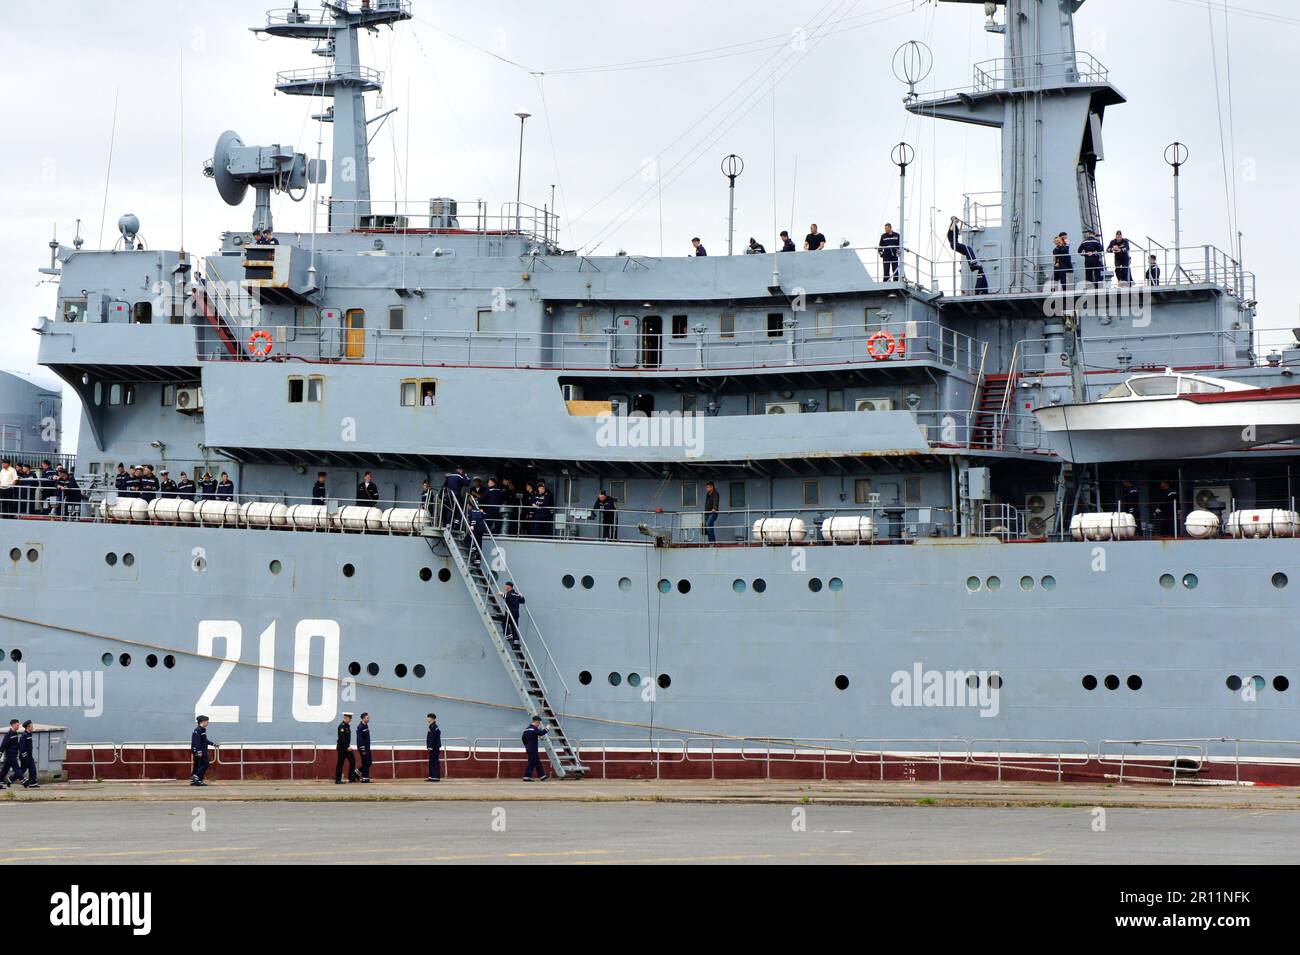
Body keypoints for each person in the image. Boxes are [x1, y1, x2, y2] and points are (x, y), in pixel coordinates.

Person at [190, 715, 217, 786]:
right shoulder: (199, 730)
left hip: (199, 750)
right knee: (205, 764)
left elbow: (205, 741)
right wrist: (199, 751)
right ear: (202, 722)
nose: (208, 723)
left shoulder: (201, 730)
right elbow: (197, 742)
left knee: (198, 765)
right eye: (207, 721)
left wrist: (213, 744)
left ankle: (196, 780)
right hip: (201, 751)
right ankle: (197, 777)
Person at [521, 716, 548, 782]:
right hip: (533, 748)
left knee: (537, 762)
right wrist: (547, 729)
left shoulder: (526, 729)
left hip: (529, 748)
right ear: (536, 722)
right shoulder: (534, 728)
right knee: (531, 762)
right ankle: (526, 776)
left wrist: (527, 746)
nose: (539, 724)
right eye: (539, 723)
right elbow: (541, 733)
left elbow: (523, 738)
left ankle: (542, 776)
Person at [335, 712, 358, 784]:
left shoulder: (347, 726)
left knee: (352, 761)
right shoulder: (341, 726)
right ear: (346, 718)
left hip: (347, 748)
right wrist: (347, 746)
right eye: (350, 718)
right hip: (342, 748)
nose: (351, 720)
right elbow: (342, 738)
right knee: (340, 763)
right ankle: (338, 780)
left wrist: (348, 746)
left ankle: (351, 778)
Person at [501, 581, 525, 646]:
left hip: (510, 613)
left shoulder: (510, 593)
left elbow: (509, 597)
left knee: (504, 623)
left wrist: (502, 594)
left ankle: (508, 635)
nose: (504, 587)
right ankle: (516, 642)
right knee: (514, 627)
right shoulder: (516, 594)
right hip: (516, 613)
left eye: (505, 586)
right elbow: (522, 601)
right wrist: (522, 596)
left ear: (509, 586)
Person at [466, 498, 488, 565]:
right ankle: (477, 562)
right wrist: (482, 512)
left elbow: (474, 517)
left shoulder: (471, 511)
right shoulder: (478, 511)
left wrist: (472, 525)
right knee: (479, 545)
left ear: (468, 505)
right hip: (481, 530)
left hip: (475, 529)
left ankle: (473, 549)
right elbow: (485, 515)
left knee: (466, 540)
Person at [17, 720, 37, 788]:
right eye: (32, 726)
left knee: (24, 769)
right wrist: (25, 757)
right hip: (26, 756)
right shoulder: (24, 735)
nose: (33, 727)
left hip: (29, 755)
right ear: (28, 727)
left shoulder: (29, 734)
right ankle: (32, 782)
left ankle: (11, 779)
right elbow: (21, 747)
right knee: (31, 769)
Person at [0, 720, 21, 787]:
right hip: (10, 755)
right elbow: (4, 744)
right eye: (17, 725)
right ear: (13, 725)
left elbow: (16, 745)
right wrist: (0, 753)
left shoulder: (16, 734)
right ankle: (24, 780)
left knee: (4, 770)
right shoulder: (8, 734)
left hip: (14, 754)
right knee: (16, 768)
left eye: (18, 725)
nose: (18, 726)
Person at [356, 712, 373, 783]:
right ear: (363, 718)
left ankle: (358, 772)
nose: (368, 719)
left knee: (369, 762)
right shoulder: (360, 727)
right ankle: (365, 778)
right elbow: (359, 740)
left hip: (367, 748)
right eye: (367, 718)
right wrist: (363, 750)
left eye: (368, 718)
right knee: (365, 763)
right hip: (363, 748)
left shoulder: (366, 726)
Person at [426, 713, 442, 782]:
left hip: (434, 747)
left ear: (432, 719)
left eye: (428, 717)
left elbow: (433, 737)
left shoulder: (434, 727)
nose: (427, 719)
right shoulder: (431, 726)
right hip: (432, 747)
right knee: (431, 762)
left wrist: (430, 746)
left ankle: (436, 777)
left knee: (434, 762)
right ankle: (431, 776)